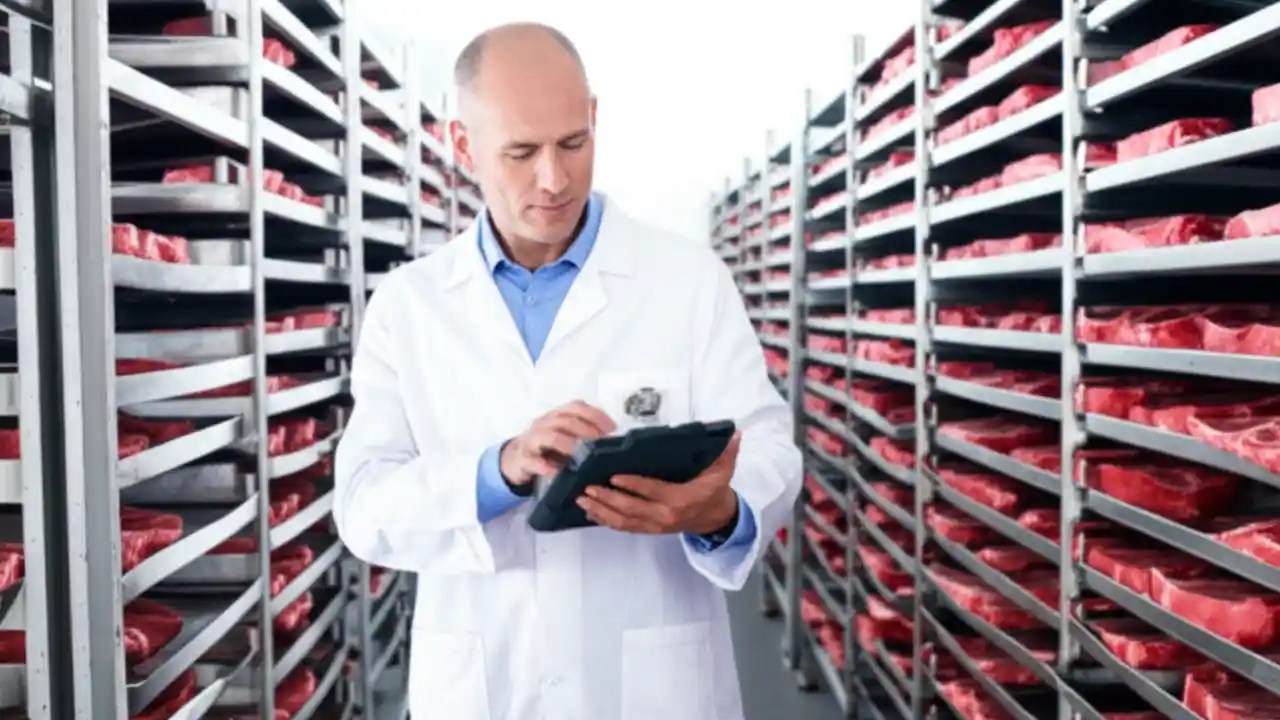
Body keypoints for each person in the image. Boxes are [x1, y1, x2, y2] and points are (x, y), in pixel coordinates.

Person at [333, 21, 802, 720]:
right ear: (463, 146)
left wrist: (720, 511)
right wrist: (499, 470)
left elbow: (769, 448)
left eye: (572, 144)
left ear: (593, 118)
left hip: (652, 689)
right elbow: (365, 504)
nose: (554, 179)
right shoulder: (410, 306)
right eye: (520, 153)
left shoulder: (686, 281)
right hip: (483, 683)